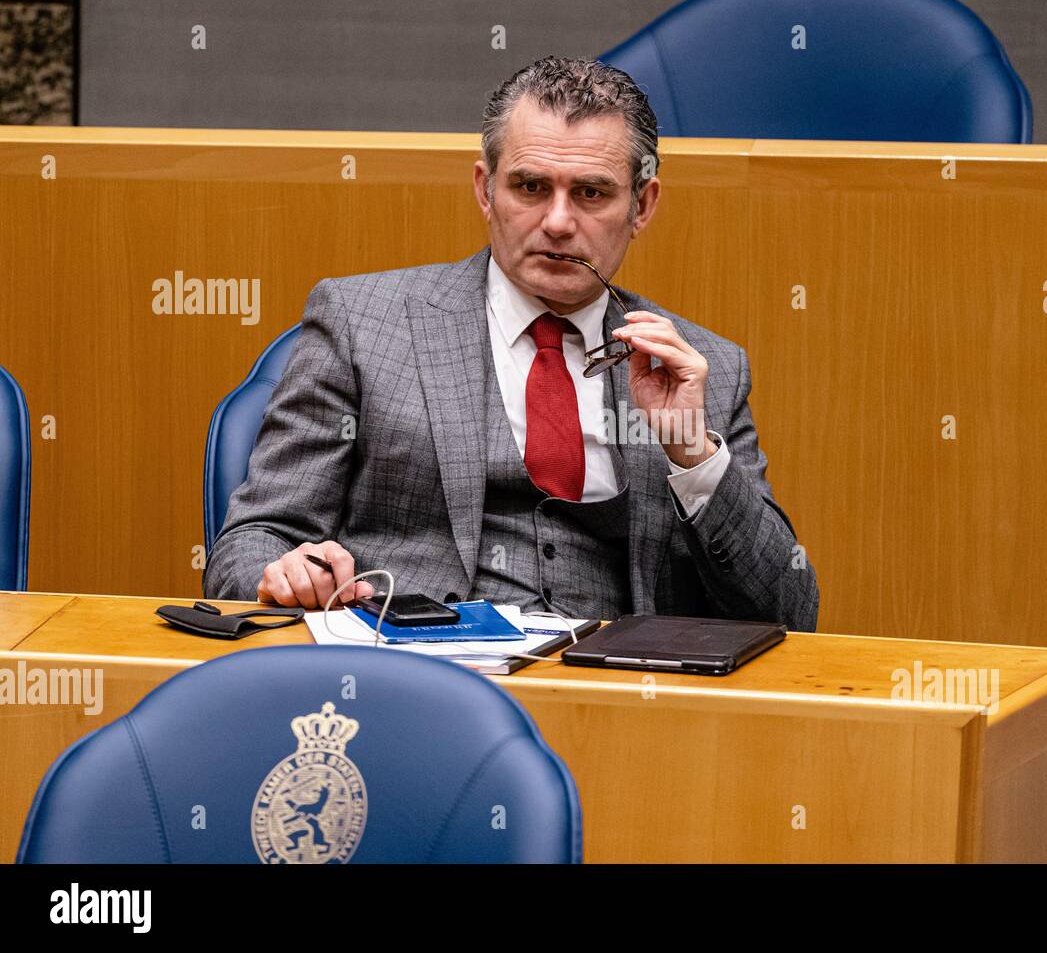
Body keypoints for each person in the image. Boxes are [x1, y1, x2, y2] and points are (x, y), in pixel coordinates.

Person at [204, 56, 818, 631]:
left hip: (624, 694)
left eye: (591, 192)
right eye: (529, 187)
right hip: (418, 676)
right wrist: (280, 574)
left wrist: (694, 458)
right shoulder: (362, 324)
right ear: (484, 189)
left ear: (643, 205)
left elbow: (791, 614)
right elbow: (248, 545)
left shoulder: (703, 371)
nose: (557, 221)